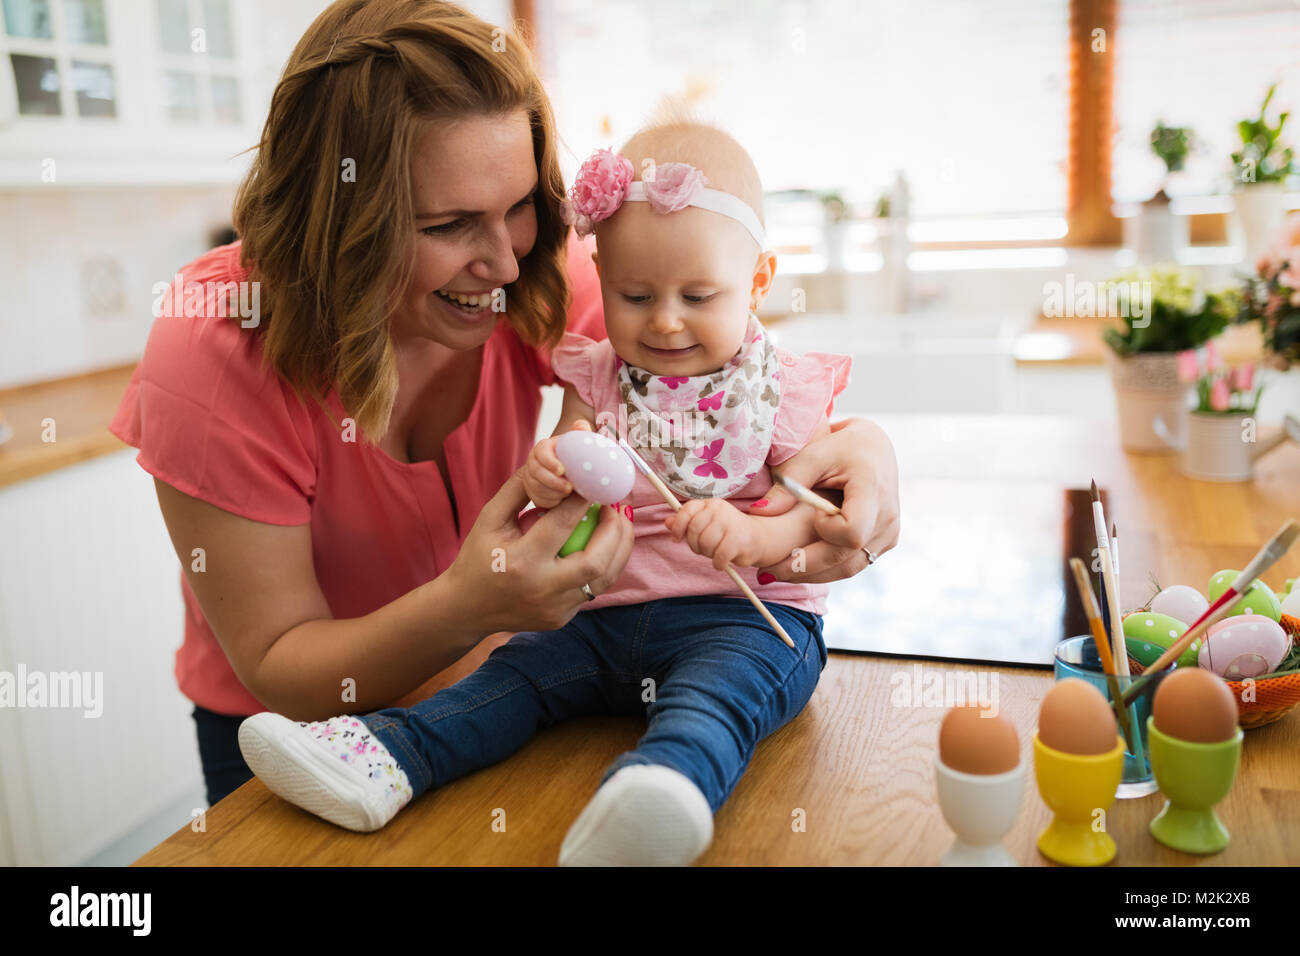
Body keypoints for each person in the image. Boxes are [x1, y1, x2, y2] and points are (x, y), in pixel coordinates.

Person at [109, 0, 900, 813]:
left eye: (519, 205)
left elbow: (708, 362)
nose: (503, 260)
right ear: (343, 217)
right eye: (450, 224)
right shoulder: (216, 343)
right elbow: (283, 664)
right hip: (305, 734)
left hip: (493, 691)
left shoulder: (535, 261)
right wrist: (471, 603)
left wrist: (862, 445)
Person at [239, 120, 855, 866]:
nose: (664, 320)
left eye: (697, 295)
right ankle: (386, 758)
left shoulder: (783, 388)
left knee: (714, 702)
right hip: (600, 622)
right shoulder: (598, 371)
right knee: (514, 677)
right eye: (633, 294)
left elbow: (810, 512)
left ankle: (659, 796)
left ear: (758, 281)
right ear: (606, 278)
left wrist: (755, 537)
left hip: (741, 622)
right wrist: (549, 470)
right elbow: (572, 448)